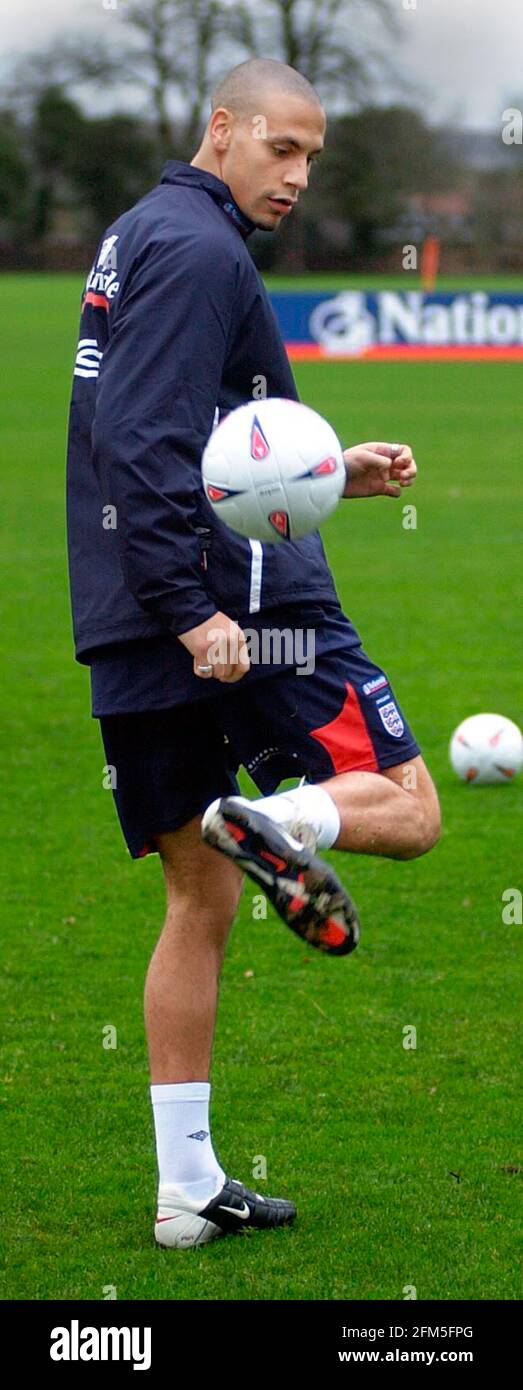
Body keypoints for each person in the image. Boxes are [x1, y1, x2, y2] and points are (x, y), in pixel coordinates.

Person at [65, 57, 441, 1251]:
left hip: (132, 614)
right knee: (408, 804)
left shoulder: (145, 232)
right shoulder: (203, 249)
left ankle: (185, 1188)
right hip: (236, 611)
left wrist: (336, 472)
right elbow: (141, 441)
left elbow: (212, 438)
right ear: (220, 128)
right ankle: (286, 820)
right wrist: (193, 612)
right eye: (281, 147)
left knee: (198, 889)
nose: (297, 173)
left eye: (313, 157)